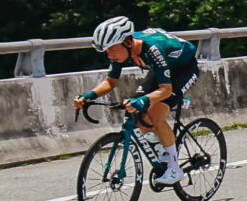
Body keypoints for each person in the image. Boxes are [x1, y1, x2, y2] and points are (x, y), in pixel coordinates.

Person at [74, 16, 199, 185]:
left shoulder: (152, 50)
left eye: (111, 49)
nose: (109, 54)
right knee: (136, 114)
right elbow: (111, 81)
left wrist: (144, 101)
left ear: (127, 42)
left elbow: (166, 89)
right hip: (162, 69)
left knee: (155, 113)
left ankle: (174, 167)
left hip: (183, 69)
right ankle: (163, 143)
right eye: (106, 51)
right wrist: (89, 95)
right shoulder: (120, 51)